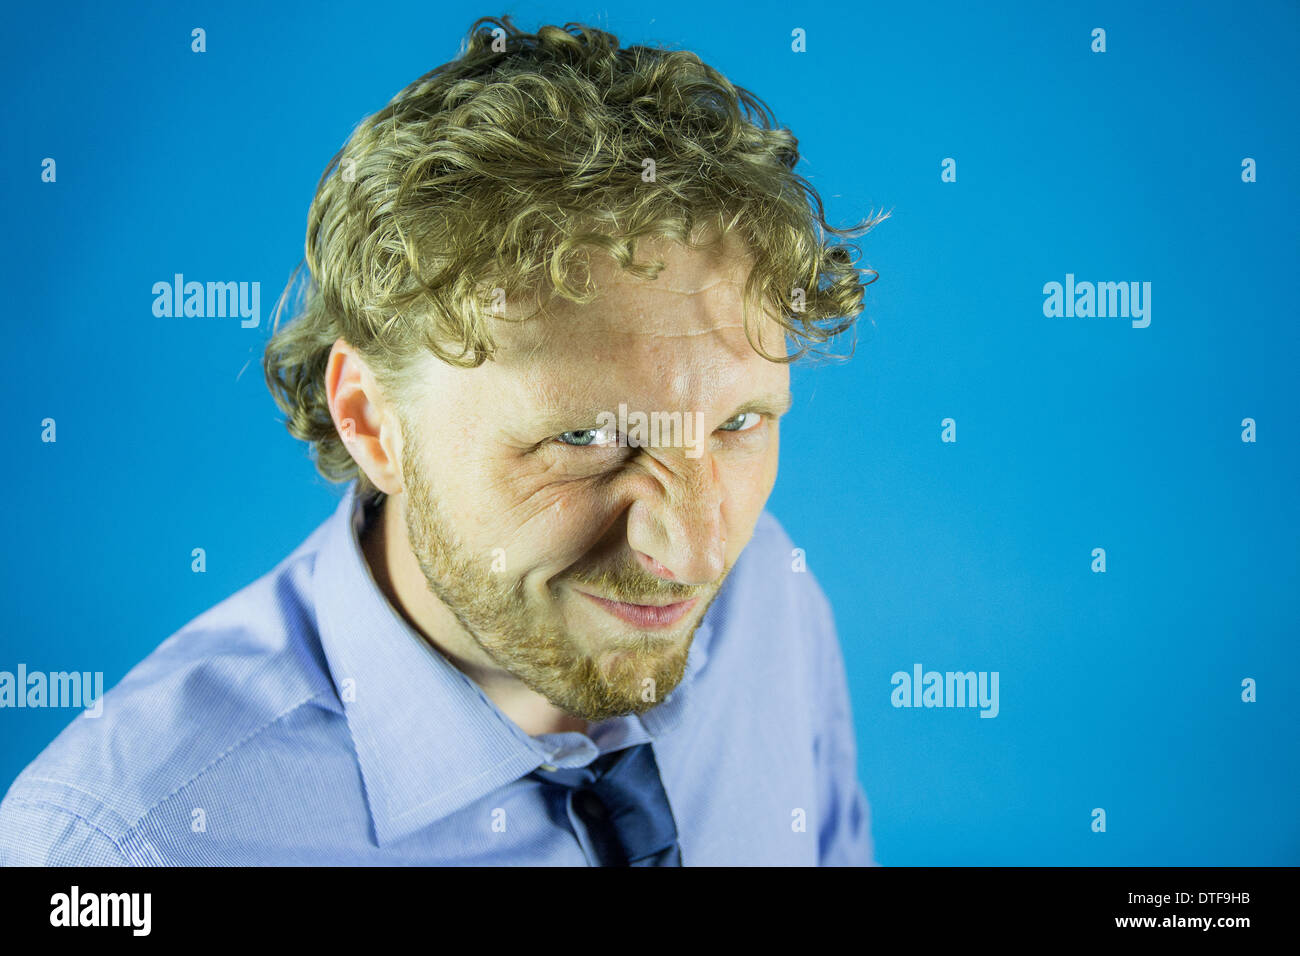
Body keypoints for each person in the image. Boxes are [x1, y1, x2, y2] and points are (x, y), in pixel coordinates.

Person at [0, 14, 886, 866]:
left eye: (739, 423)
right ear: (372, 420)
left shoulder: (771, 598)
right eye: (584, 437)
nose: (695, 552)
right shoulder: (119, 851)